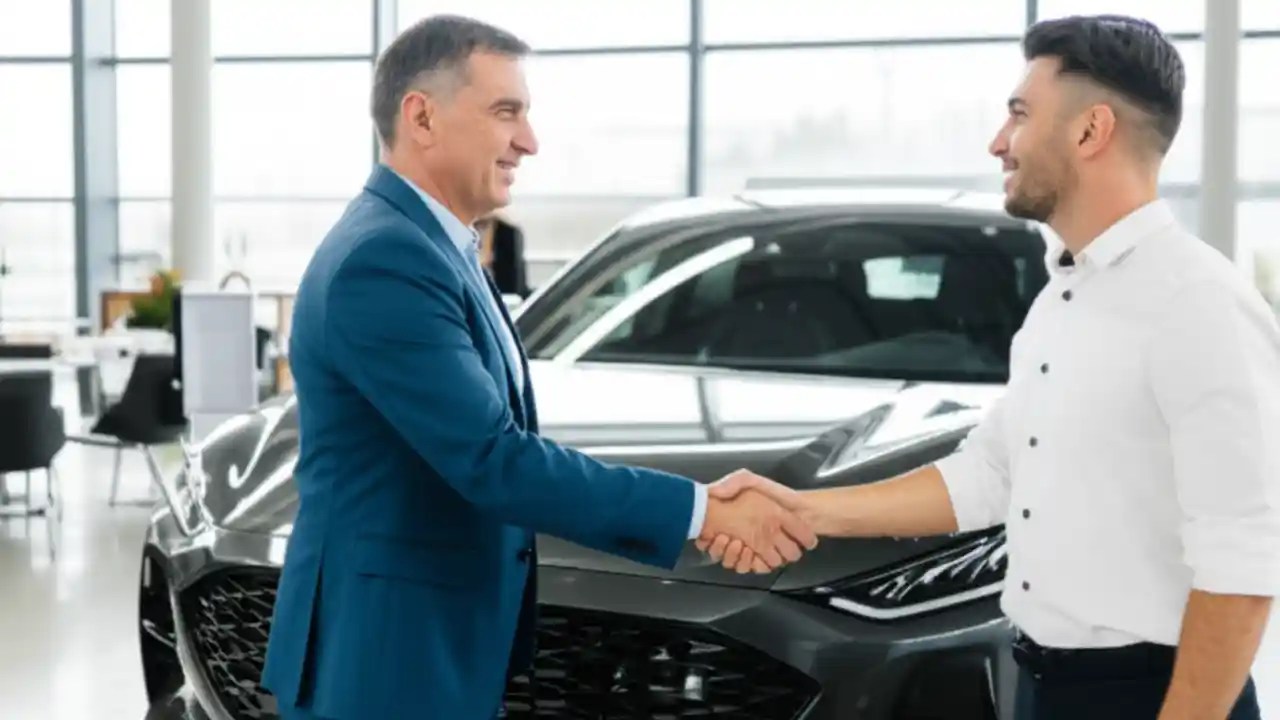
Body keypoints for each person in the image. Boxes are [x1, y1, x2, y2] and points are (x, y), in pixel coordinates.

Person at [701, 14, 1279, 720]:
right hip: (1042, 681)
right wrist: (803, 509)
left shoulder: (1199, 303)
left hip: (1153, 693)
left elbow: (1244, 561)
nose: (998, 143)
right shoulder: (1063, 299)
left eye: (1019, 114)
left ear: (1090, 131)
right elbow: (991, 476)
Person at [260, 15, 817, 720]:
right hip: (385, 659)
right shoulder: (385, 260)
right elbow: (494, 459)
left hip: (425, 645)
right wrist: (702, 511)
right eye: (506, 112)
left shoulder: (437, 246)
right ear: (422, 117)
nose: (529, 140)